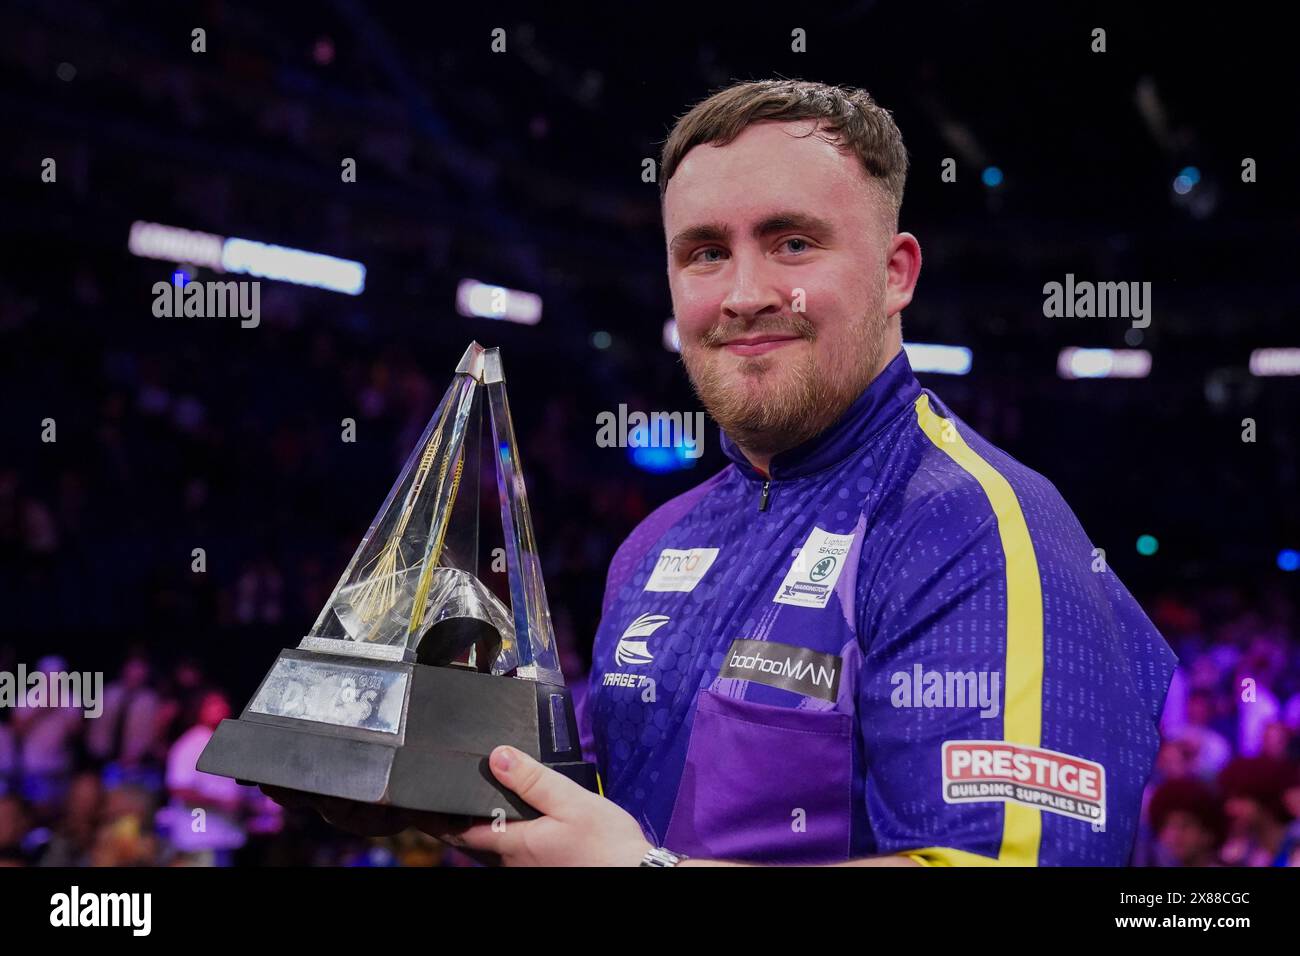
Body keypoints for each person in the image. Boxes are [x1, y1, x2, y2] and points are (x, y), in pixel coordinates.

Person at [270, 78, 1178, 866]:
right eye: (706, 252)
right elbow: (604, 830)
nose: (744, 295)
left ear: (898, 273)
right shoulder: (653, 545)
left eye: (792, 243)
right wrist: (431, 778)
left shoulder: (977, 528)